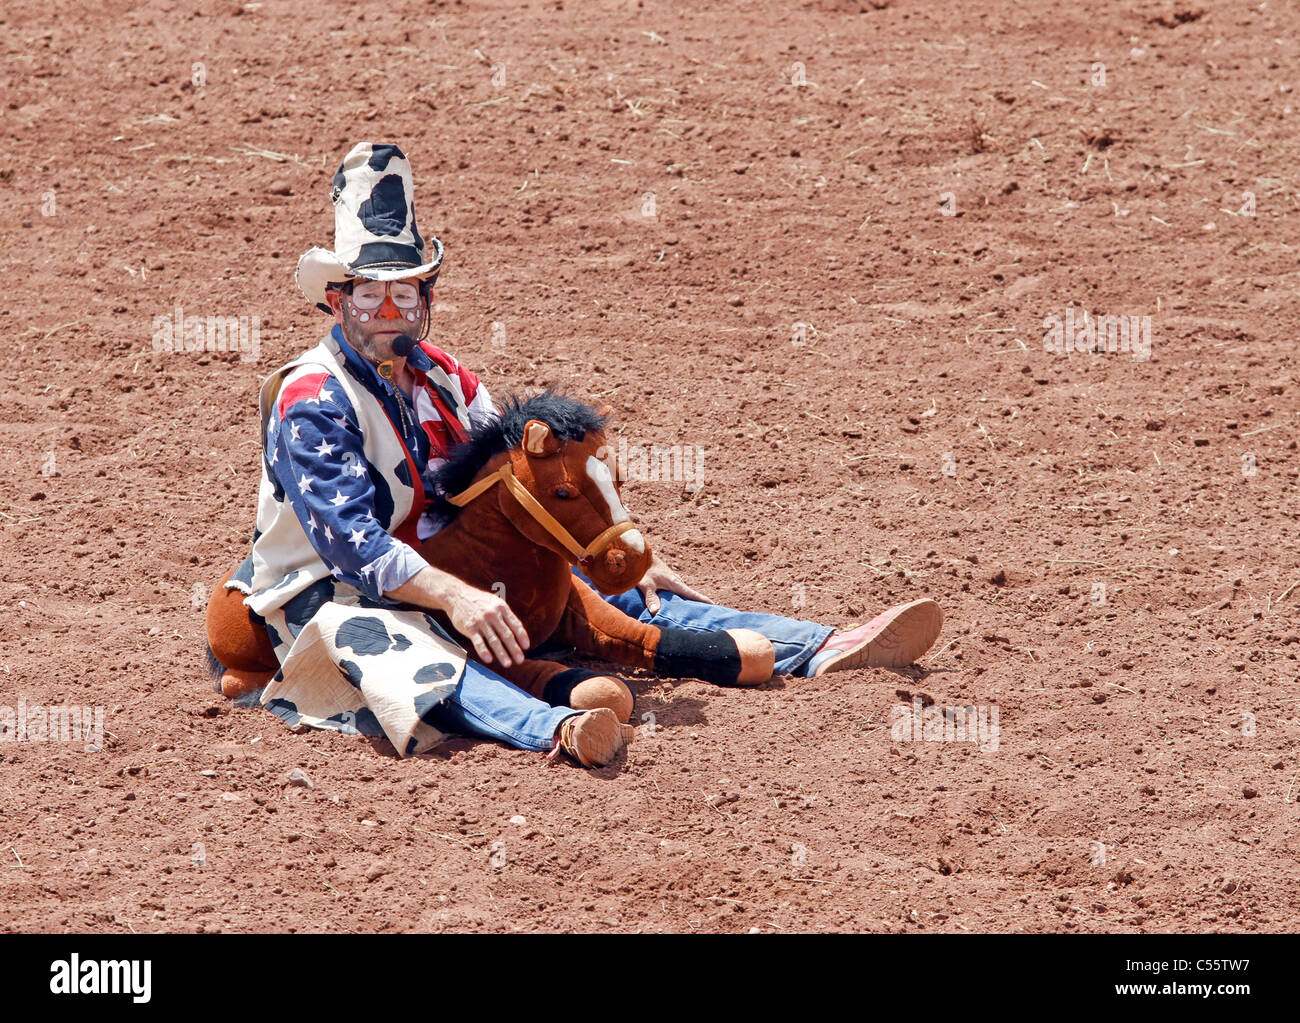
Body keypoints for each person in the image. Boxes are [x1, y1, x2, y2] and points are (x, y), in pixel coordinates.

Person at [225, 141, 942, 766]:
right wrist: (457, 593)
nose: (389, 313)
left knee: (623, 588)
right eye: (369, 296)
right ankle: (558, 725)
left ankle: (816, 646)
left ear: (428, 297)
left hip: (458, 571)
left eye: (405, 294)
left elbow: (527, 481)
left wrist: (605, 544)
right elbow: (354, 547)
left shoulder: (440, 373)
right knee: (393, 643)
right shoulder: (312, 398)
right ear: (336, 300)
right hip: (334, 596)